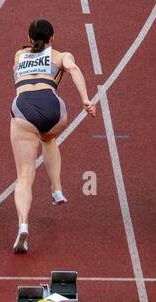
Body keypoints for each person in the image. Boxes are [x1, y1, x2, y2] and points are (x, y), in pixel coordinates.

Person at [8, 19, 96, 254]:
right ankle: (56, 189)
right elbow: (74, 70)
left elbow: (28, 52)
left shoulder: (19, 56)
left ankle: (23, 226)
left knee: (24, 176)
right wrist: (86, 100)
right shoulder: (61, 55)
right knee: (48, 138)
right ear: (53, 38)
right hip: (54, 110)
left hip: (23, 109)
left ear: (28, 39)